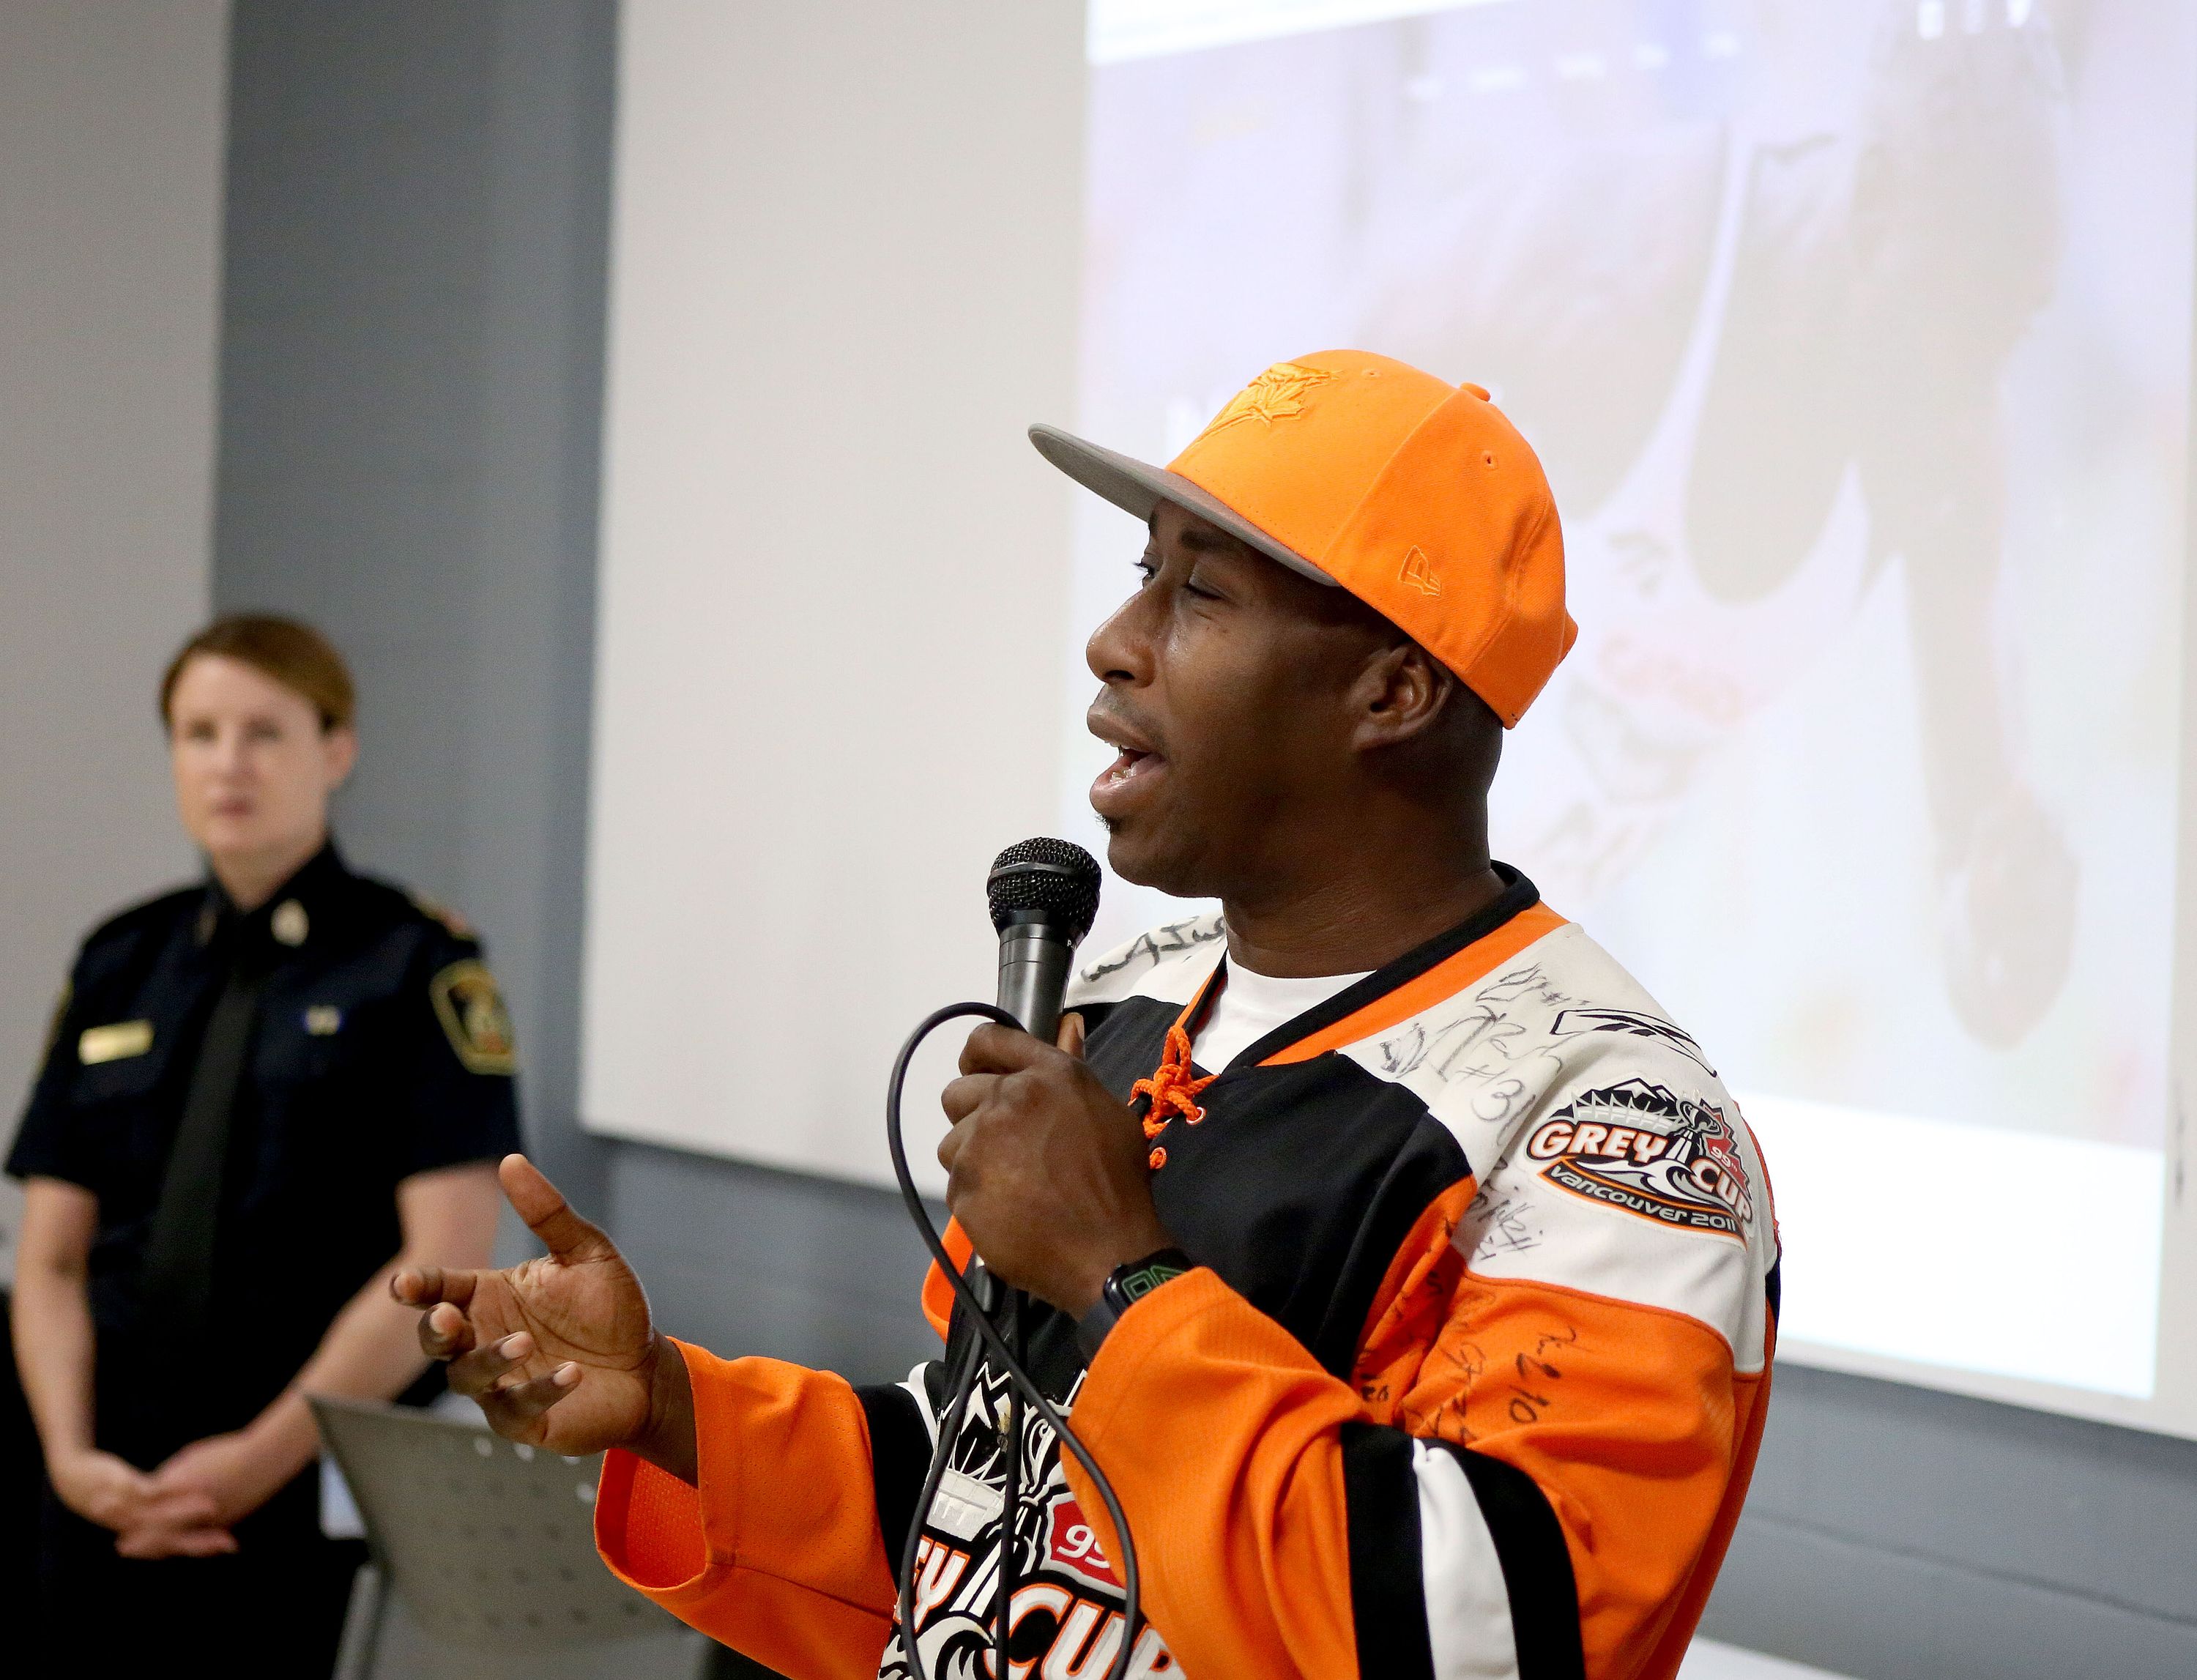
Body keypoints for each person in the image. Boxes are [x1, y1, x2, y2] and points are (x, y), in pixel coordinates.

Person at [398, 352, 1781, 1679]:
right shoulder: (1125, 1001)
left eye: (1201, 592)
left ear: (1392, 691)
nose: (1114, 643)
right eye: (1142, 574)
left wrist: (1123, 1278)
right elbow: (992, 1500)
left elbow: (1483, 1637)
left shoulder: (1606, 1119)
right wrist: (673, 1405)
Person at [9, 614, 521, 1676]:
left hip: (294, 1482)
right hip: (94, 1473)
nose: (228, 762)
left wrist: (258, 1457)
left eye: (264, 731)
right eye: (199, 732)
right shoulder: (120, 960)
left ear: (335, 750)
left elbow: (440, 1259)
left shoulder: (412, 963)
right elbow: (50, 1256)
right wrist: (67, 1455)